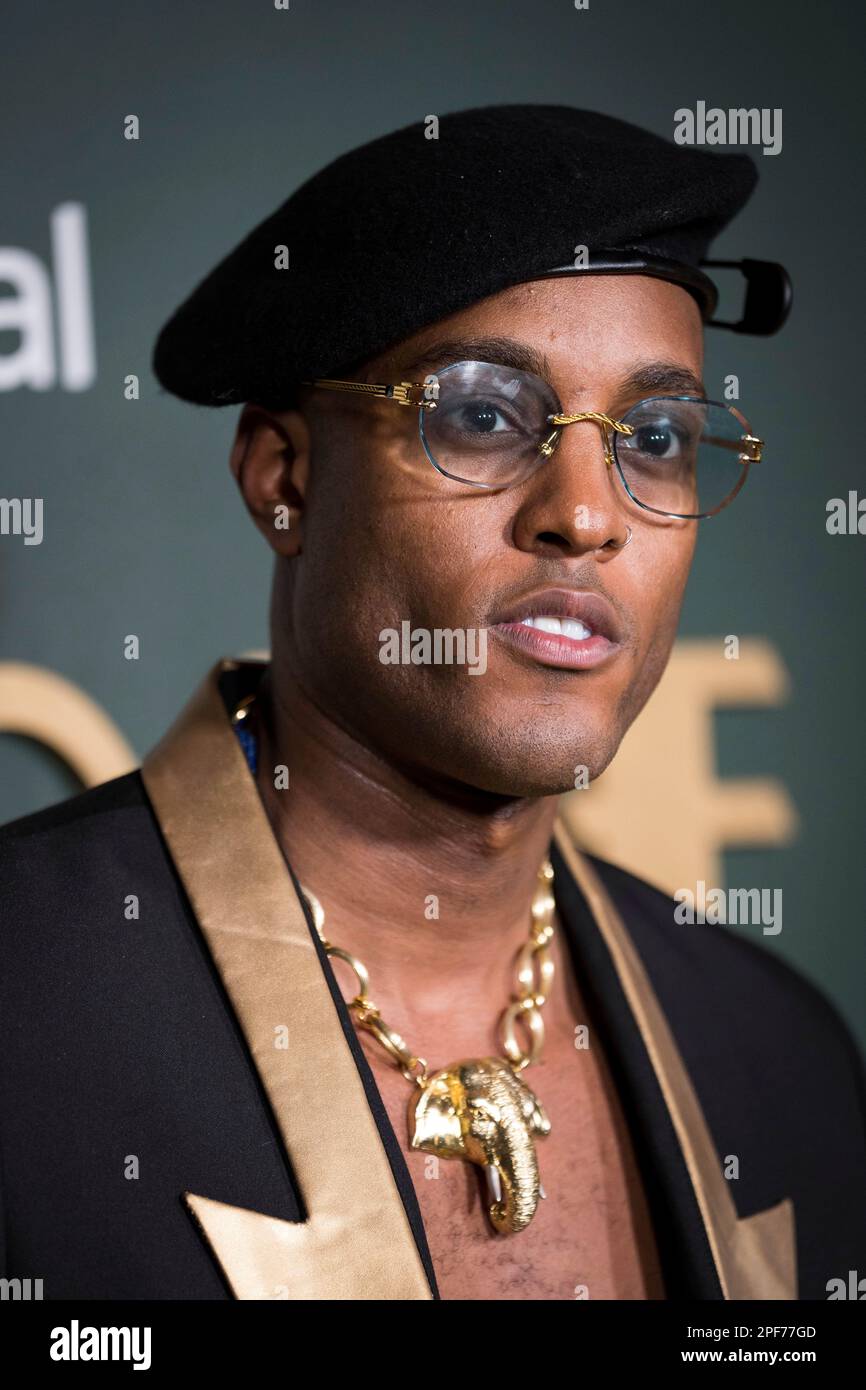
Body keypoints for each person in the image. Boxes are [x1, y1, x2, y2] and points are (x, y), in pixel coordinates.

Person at [0, 104, 862, 1302]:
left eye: (653, 435)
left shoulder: (784, 1061)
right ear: (284, 476)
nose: (588, 511)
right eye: (480, 415)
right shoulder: (26, 999)